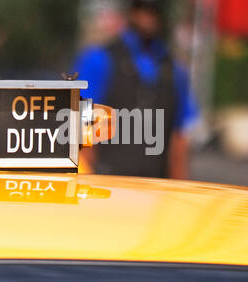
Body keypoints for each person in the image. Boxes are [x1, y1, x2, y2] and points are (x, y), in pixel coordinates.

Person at [75, 0, 198, 179]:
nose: (148, 16)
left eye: (154, 10)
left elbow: (179, 139)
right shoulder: (100, 59)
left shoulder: (174, 70)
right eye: (143, 8)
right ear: (131, 10)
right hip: (108, 186)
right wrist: (88, 180)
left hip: (157, 190)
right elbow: (82, 123)